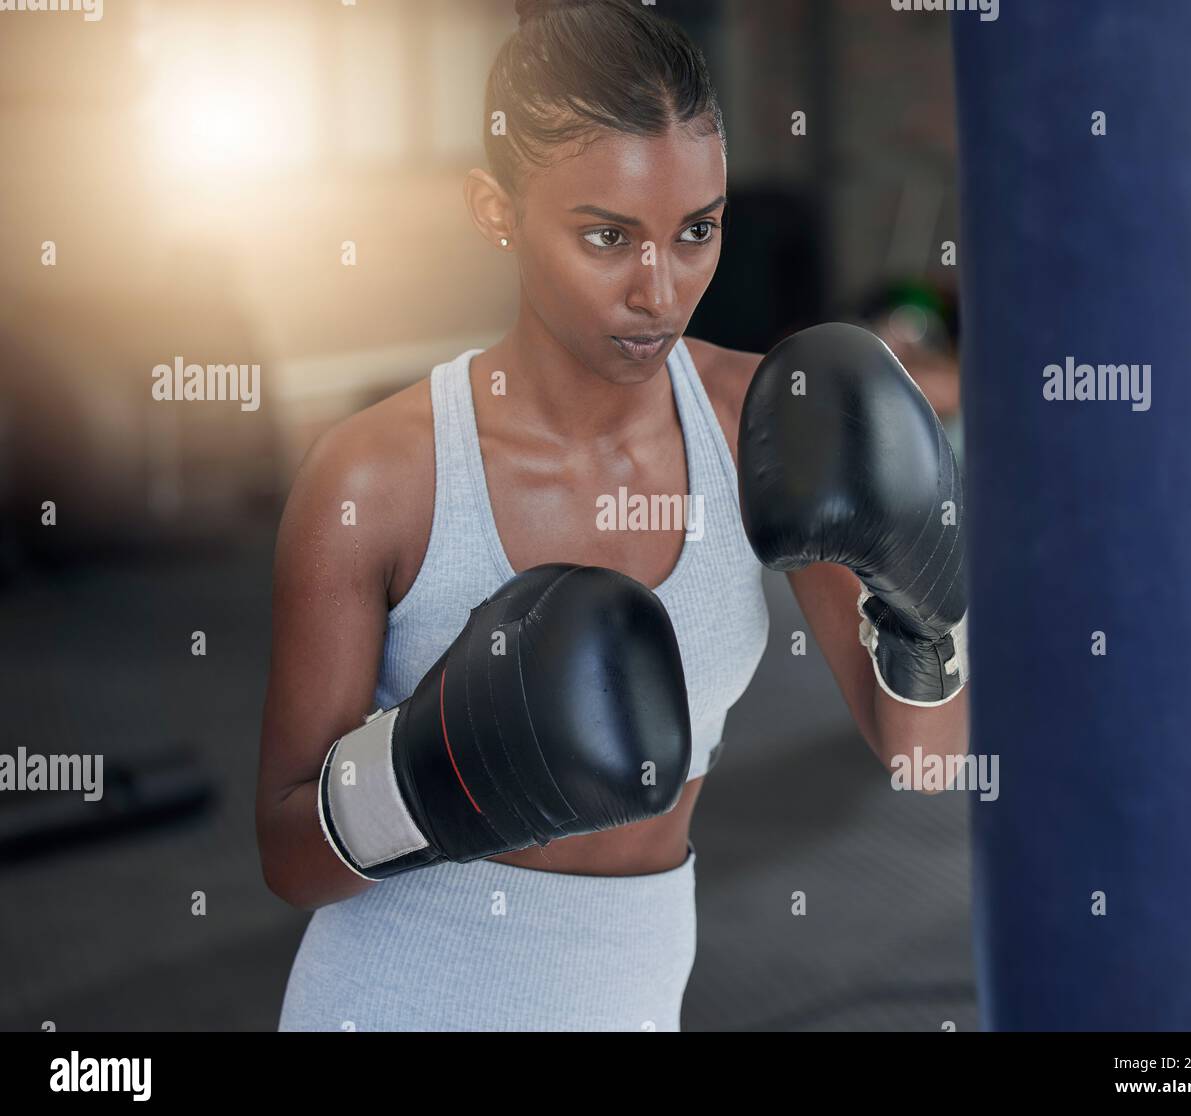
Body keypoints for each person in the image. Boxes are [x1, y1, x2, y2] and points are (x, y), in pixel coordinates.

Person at [256, 0, 969, 1032]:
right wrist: (439, 766)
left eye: (697, 231)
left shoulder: (761, 419)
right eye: (606, 235)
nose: (659, 289)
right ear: (495, 208)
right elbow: (289, 856)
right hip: (395, 995)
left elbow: (927, 755)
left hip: (632, 999)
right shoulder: (378, 474)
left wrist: (922, 605)